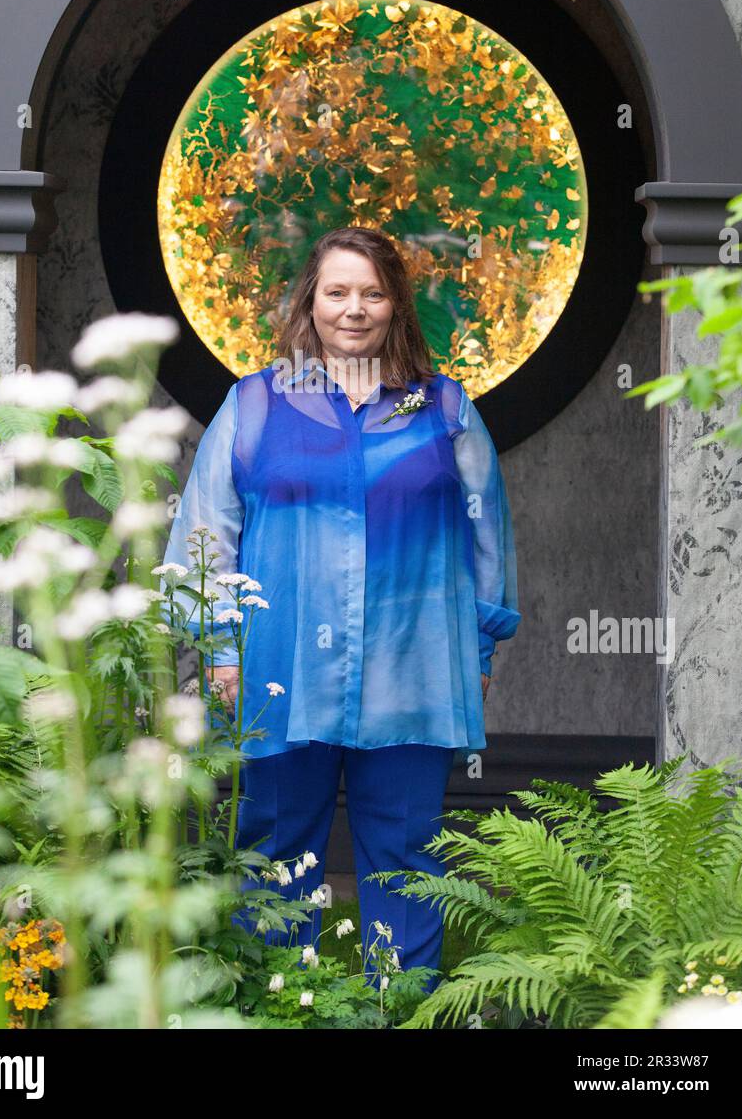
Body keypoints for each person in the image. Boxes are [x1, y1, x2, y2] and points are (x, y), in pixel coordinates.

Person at [161, 226, 521, 991]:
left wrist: (480, 649)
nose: (354, 309)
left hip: (412, 669)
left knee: (407, 853)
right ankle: (277, 1004)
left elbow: (487, 535)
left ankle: (400, 1004)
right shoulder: (255, 405)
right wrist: (221, 650)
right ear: (310, 302)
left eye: (372, 293)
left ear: (396, 305)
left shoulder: (444, 408)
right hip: (278, 669)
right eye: (337, 292)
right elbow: (206, 532)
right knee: (274, 849)